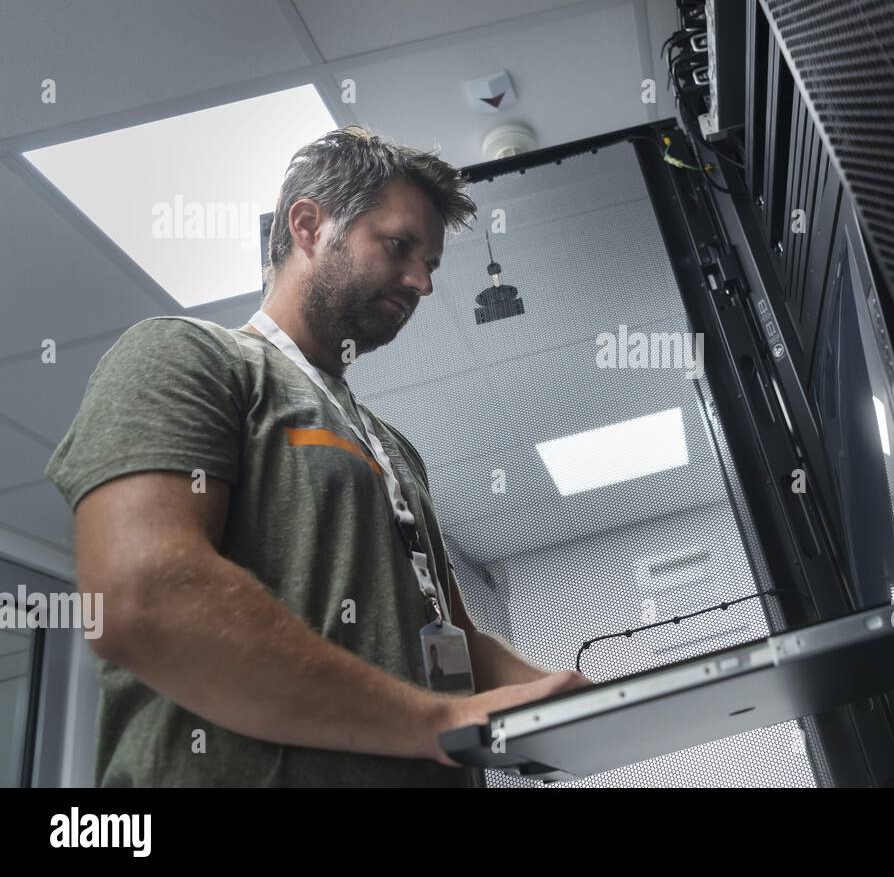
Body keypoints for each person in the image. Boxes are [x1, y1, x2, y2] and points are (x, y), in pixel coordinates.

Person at [45, 124, 589, 787]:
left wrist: (579, 711)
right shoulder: (187, 357)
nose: (421, 281)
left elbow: (453, 632)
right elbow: (144, 599)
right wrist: (433, 721)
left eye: (432, 264)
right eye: (399, 246)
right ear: (308, 226)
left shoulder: (393, 448)